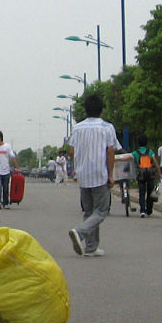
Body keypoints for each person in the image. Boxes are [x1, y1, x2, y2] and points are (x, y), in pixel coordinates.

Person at [65, 93, 121, 257]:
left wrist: (77, 167)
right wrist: (111, 175)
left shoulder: (77, 128)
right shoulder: (106, 127)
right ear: (102, 110)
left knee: (89, 211)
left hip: (83, 174)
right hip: (99, 173)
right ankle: (80, 232)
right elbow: (110, 151)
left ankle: (91, 247)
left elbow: (72, 151)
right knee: (102, 210)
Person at [0, 130, 20, 209]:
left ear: (0, 137)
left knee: (5, 188)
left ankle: (5, 203)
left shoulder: (7, 146)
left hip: (6, 171)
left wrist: (17, 167)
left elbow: (13, 157)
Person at [130, 135, 159, 217]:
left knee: (142, 193)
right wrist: (159, 173)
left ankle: (142, 210)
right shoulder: (150, 152)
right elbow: (155, 162)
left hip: (141, 175)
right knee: (150, 193)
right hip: (150, 175)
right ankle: (149, 210)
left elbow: (125, 158)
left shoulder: (135, 153)